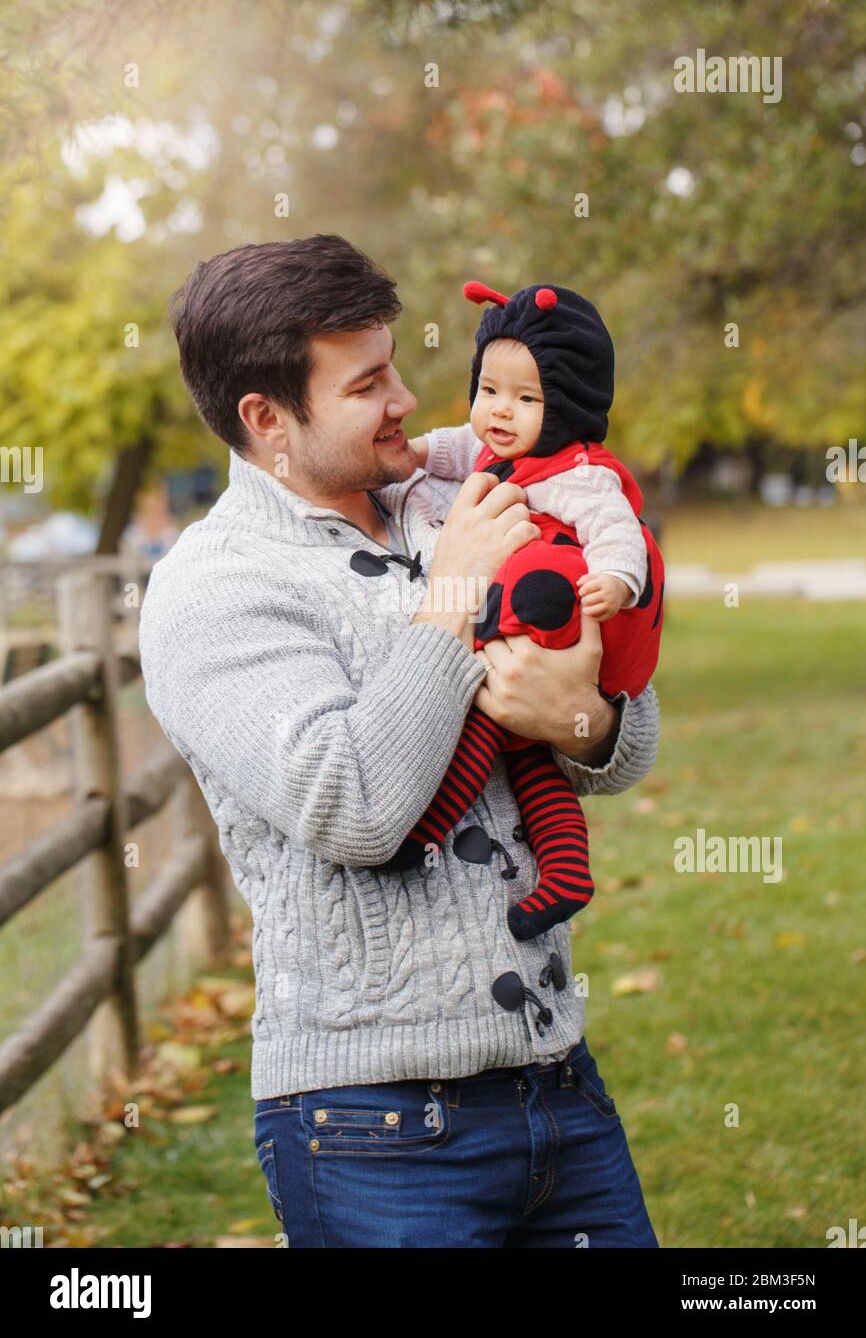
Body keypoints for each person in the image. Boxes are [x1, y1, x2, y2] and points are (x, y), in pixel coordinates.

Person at [138, 234, 661, 1248]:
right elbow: (353, 807)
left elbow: (624, 735)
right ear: (266, 419)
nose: (407, 398)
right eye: (366, 382)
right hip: (365, 1127)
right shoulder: (214, 587)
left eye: (395, 365)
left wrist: (582, 721)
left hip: (556, 1085)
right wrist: (455, 593)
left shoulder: (444, 504)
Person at [381, 278, 665, 942]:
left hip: (559, 631)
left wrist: (618, 580)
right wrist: (418, 453)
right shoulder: (493, 447)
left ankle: (423, 835)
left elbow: (617, 530)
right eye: (488, 391)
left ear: (564, 406)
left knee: (485, 722)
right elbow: (458, 445)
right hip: (529, 640)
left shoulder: (578, 472)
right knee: (531, 761)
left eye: (526, 398)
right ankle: (566, 875)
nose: (499, 412)